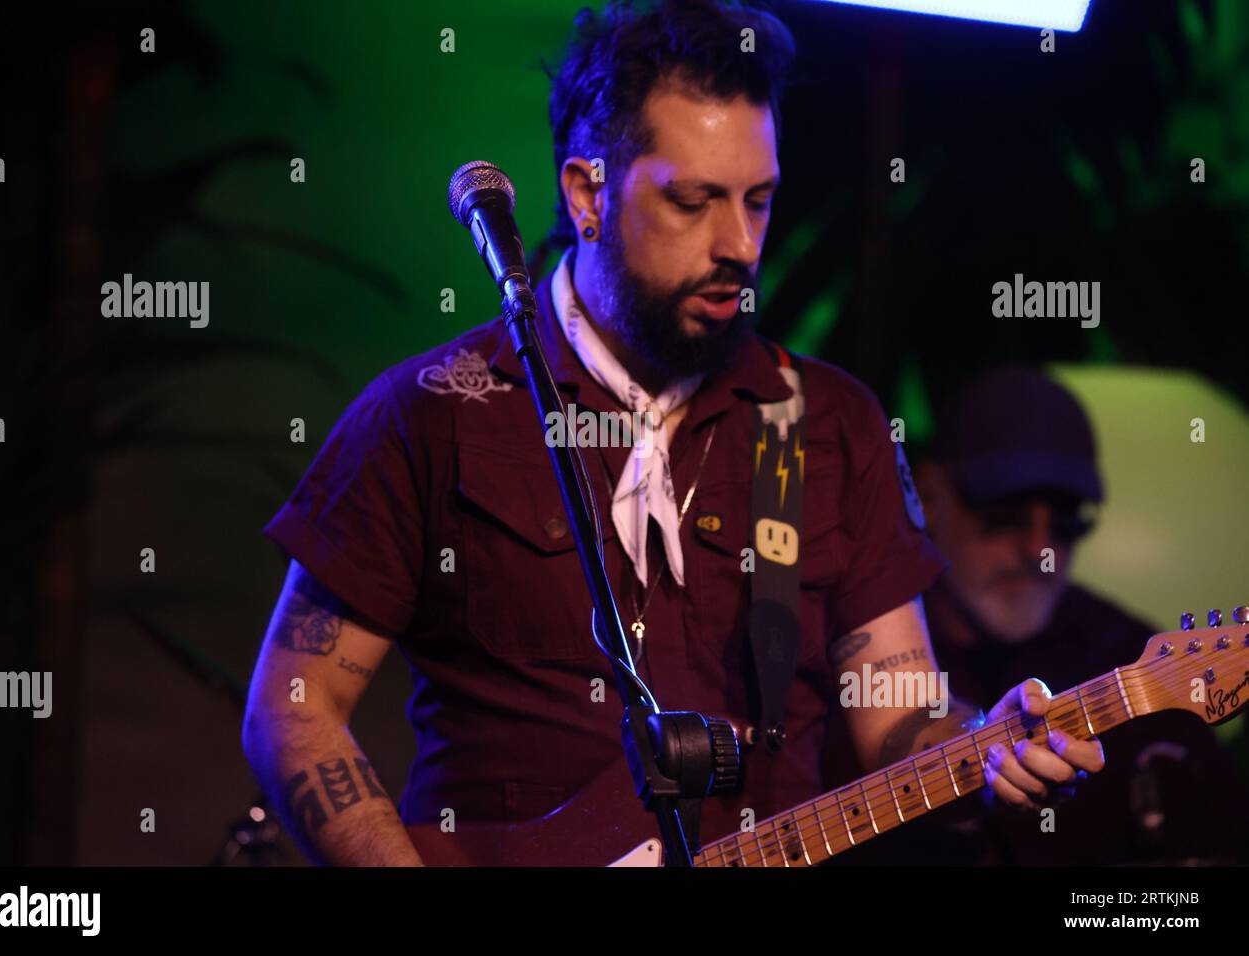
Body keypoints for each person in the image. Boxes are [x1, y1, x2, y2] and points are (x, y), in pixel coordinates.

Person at [241, 0, 1105, 867]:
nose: (740, 244)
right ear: (588, 193)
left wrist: (982, 747)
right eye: (694, 201)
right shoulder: (434, 411)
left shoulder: (830, 426)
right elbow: (294, 704)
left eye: (759, 201)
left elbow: (898, 718)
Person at [823, 366, 1249, 865]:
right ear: (930, 496)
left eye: (1067, 518)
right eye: (1006, 511)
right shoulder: (846, 649)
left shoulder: (1139, 660)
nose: (1037, 547)